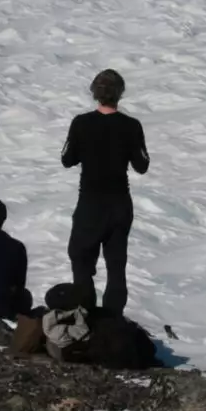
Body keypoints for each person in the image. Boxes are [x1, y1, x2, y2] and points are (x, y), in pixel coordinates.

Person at [60, 68, 148, 314]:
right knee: (116, 265)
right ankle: (113, 320)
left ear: (94, 94)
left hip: (91, 202)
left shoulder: (81, 123)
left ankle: (84, 316)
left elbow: (67, 159)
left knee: (81, 259)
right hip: (120, 204)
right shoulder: (132, 126)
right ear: (120, 94)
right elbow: (142, 165)